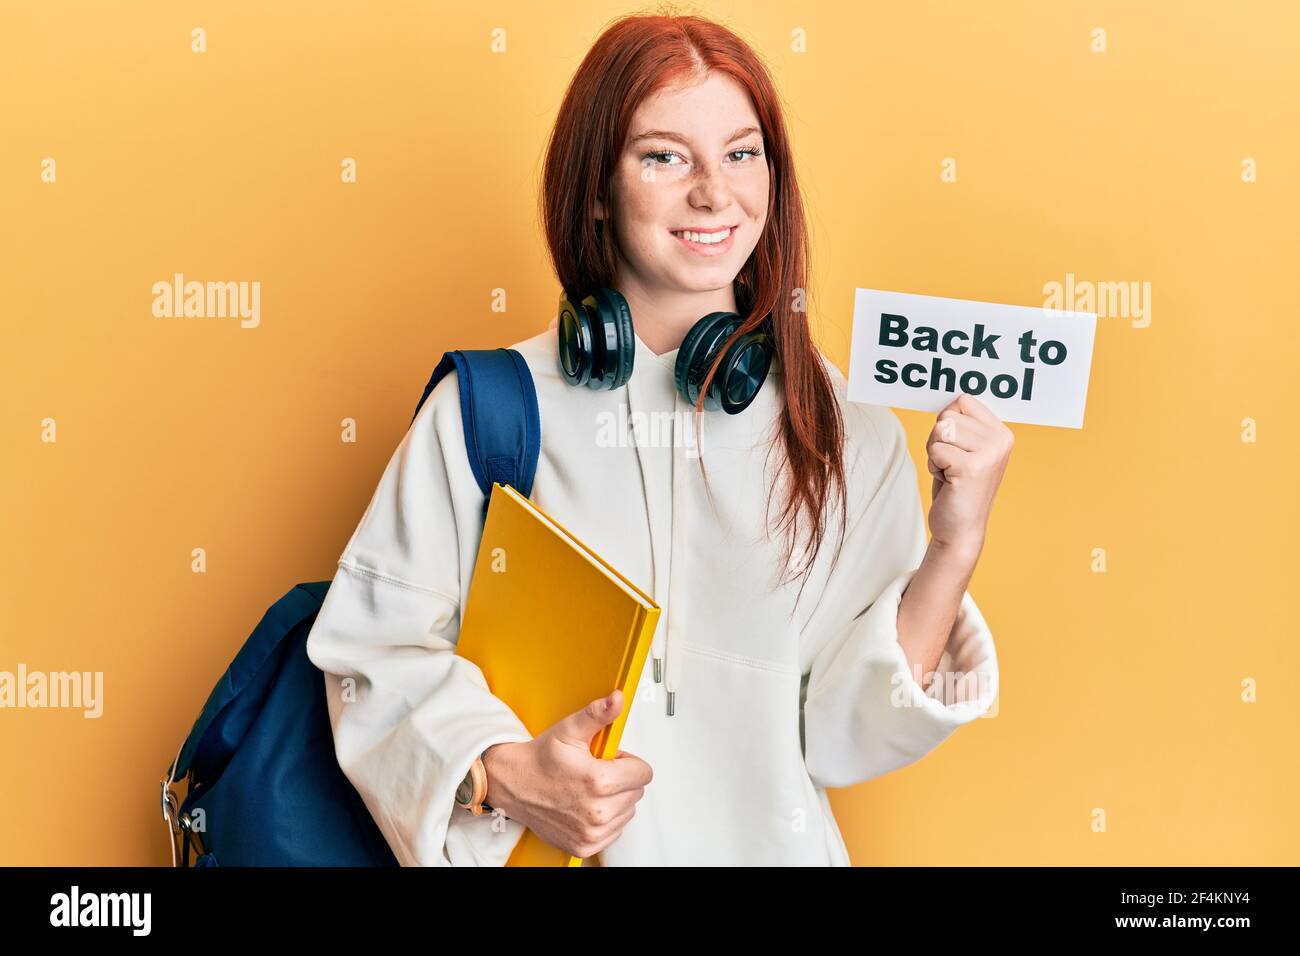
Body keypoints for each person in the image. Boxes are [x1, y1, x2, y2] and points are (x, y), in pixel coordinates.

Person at [305, 12, 1009, 866]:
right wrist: (502, 773)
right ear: (597, 188)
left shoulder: (841, 430)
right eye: (665, 156)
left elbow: (842, 737)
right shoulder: (488, 411)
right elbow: (367, 655)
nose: (715, 193)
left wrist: (954, 543)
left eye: (742, 154)